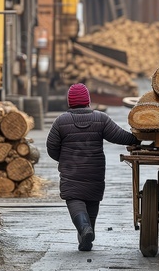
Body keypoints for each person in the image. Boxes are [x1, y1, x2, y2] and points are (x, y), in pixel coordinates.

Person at [46, 83, 137, 251]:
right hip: (95, 171)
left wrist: (63, 159)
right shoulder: (100, 119)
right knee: (92, 201)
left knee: (74, 199)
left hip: (71, 171)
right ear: (88, 101)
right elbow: (119, 136)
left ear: (70, 102)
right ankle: (87, 236)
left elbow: (51, 147)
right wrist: (136, 139)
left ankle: (84, 229)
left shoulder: (60, 121)